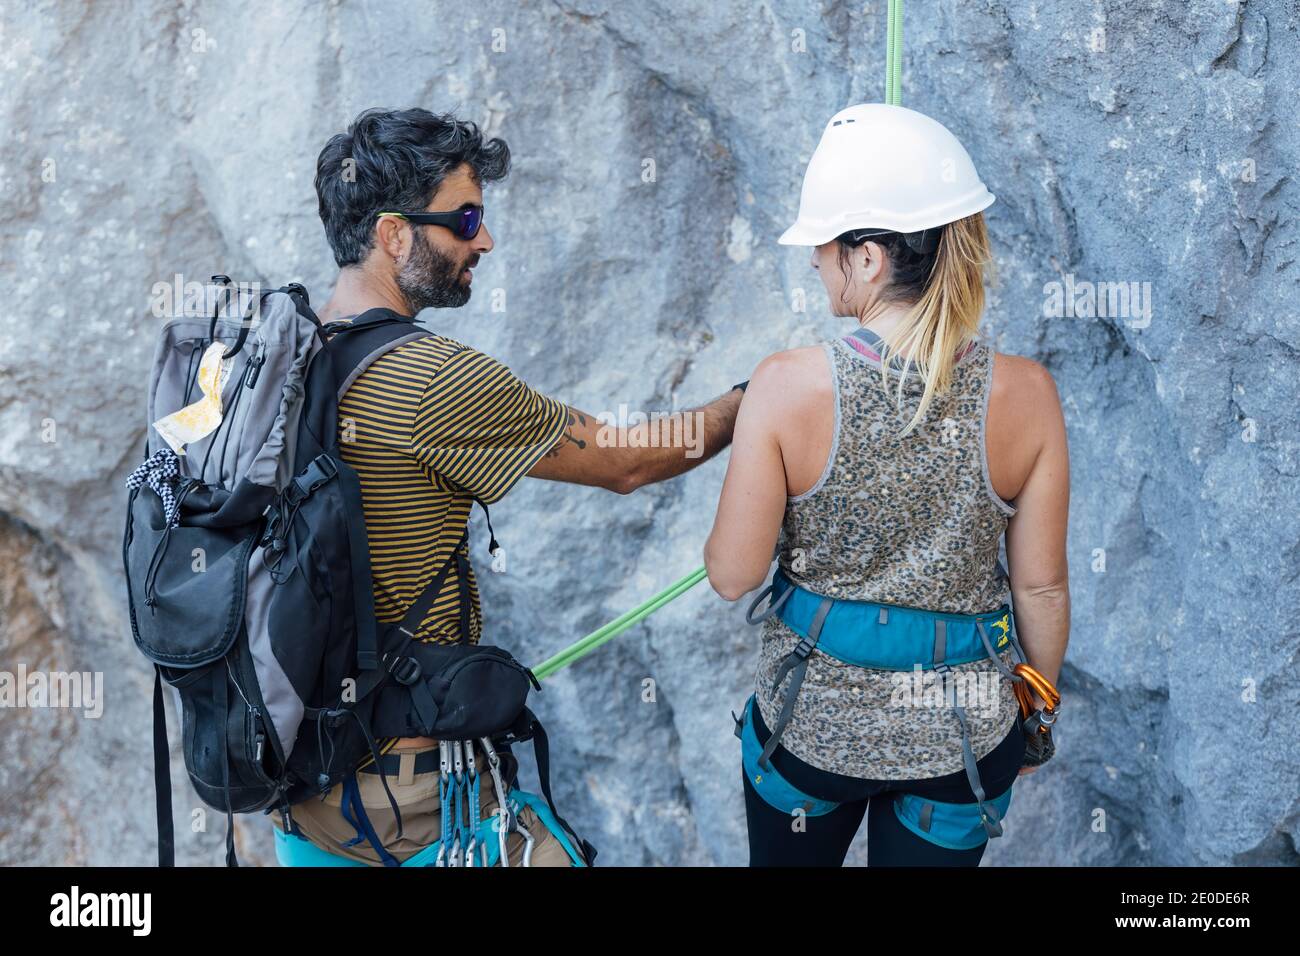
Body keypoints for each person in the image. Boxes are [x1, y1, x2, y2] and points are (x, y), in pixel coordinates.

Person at [274, 107, 744, 866]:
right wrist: (747, 405)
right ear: (395, 234)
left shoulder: (282, 361)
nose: (483, 240)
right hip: (417, 798)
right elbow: (626, 459)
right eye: (464, 219)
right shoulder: (432, 378)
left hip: (302, 792)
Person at [704, 103, 1070, 867]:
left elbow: (732, 575)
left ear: (868, 257)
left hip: (813, 729)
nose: (815, 260)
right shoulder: (1027, 394)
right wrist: (1034, 717)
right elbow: (1041, 590)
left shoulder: (786, 386)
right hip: (964, 739)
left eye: (825, 245)